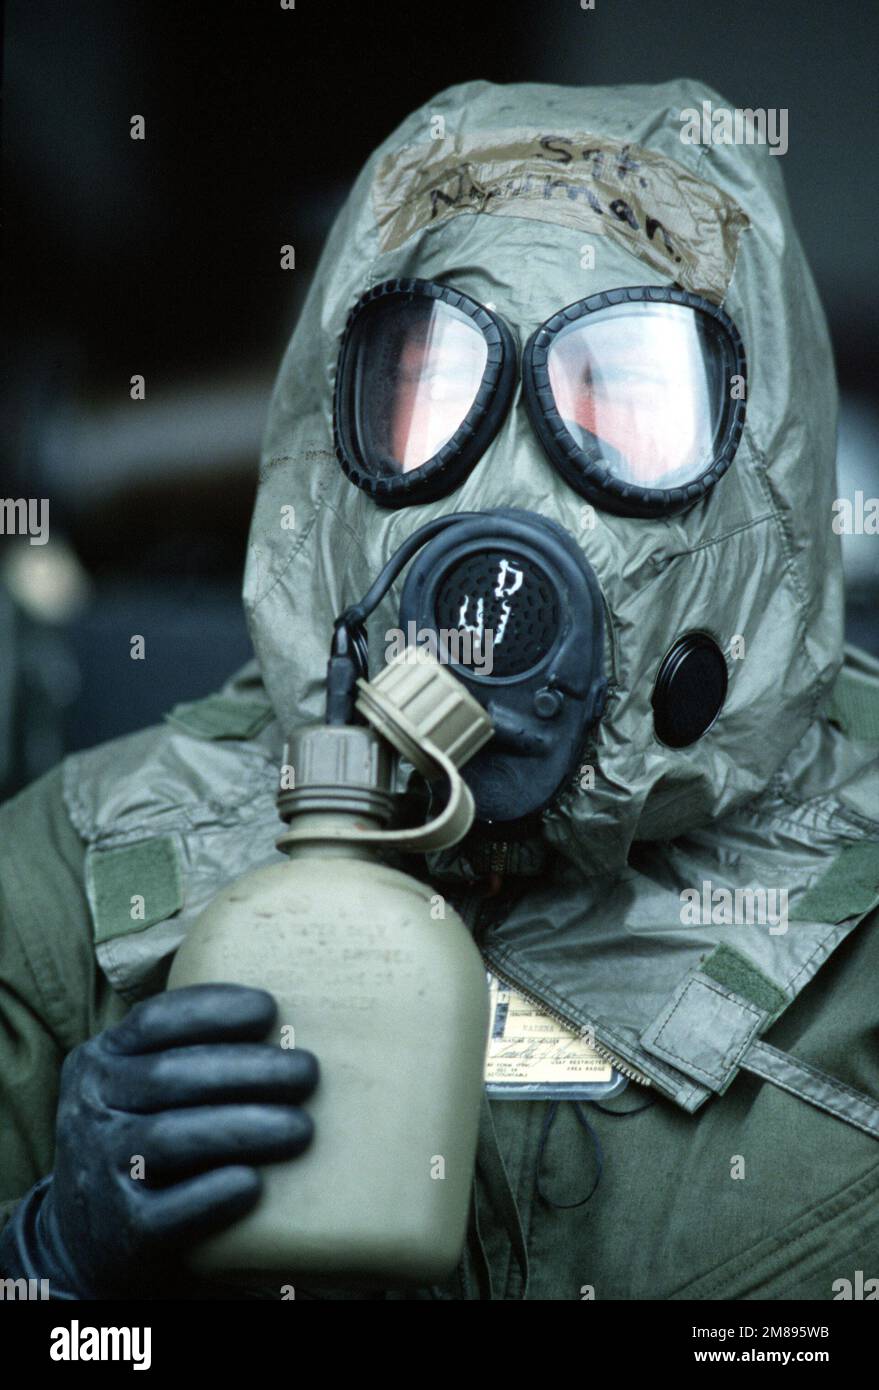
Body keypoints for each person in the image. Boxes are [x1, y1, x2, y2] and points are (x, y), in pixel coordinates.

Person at [2, 78, 878, 1302]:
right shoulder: (70, 880)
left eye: (617, 403)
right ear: (336, 426)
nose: (505, 503)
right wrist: (46, 1264)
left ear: (756, 458)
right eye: (430, 393)